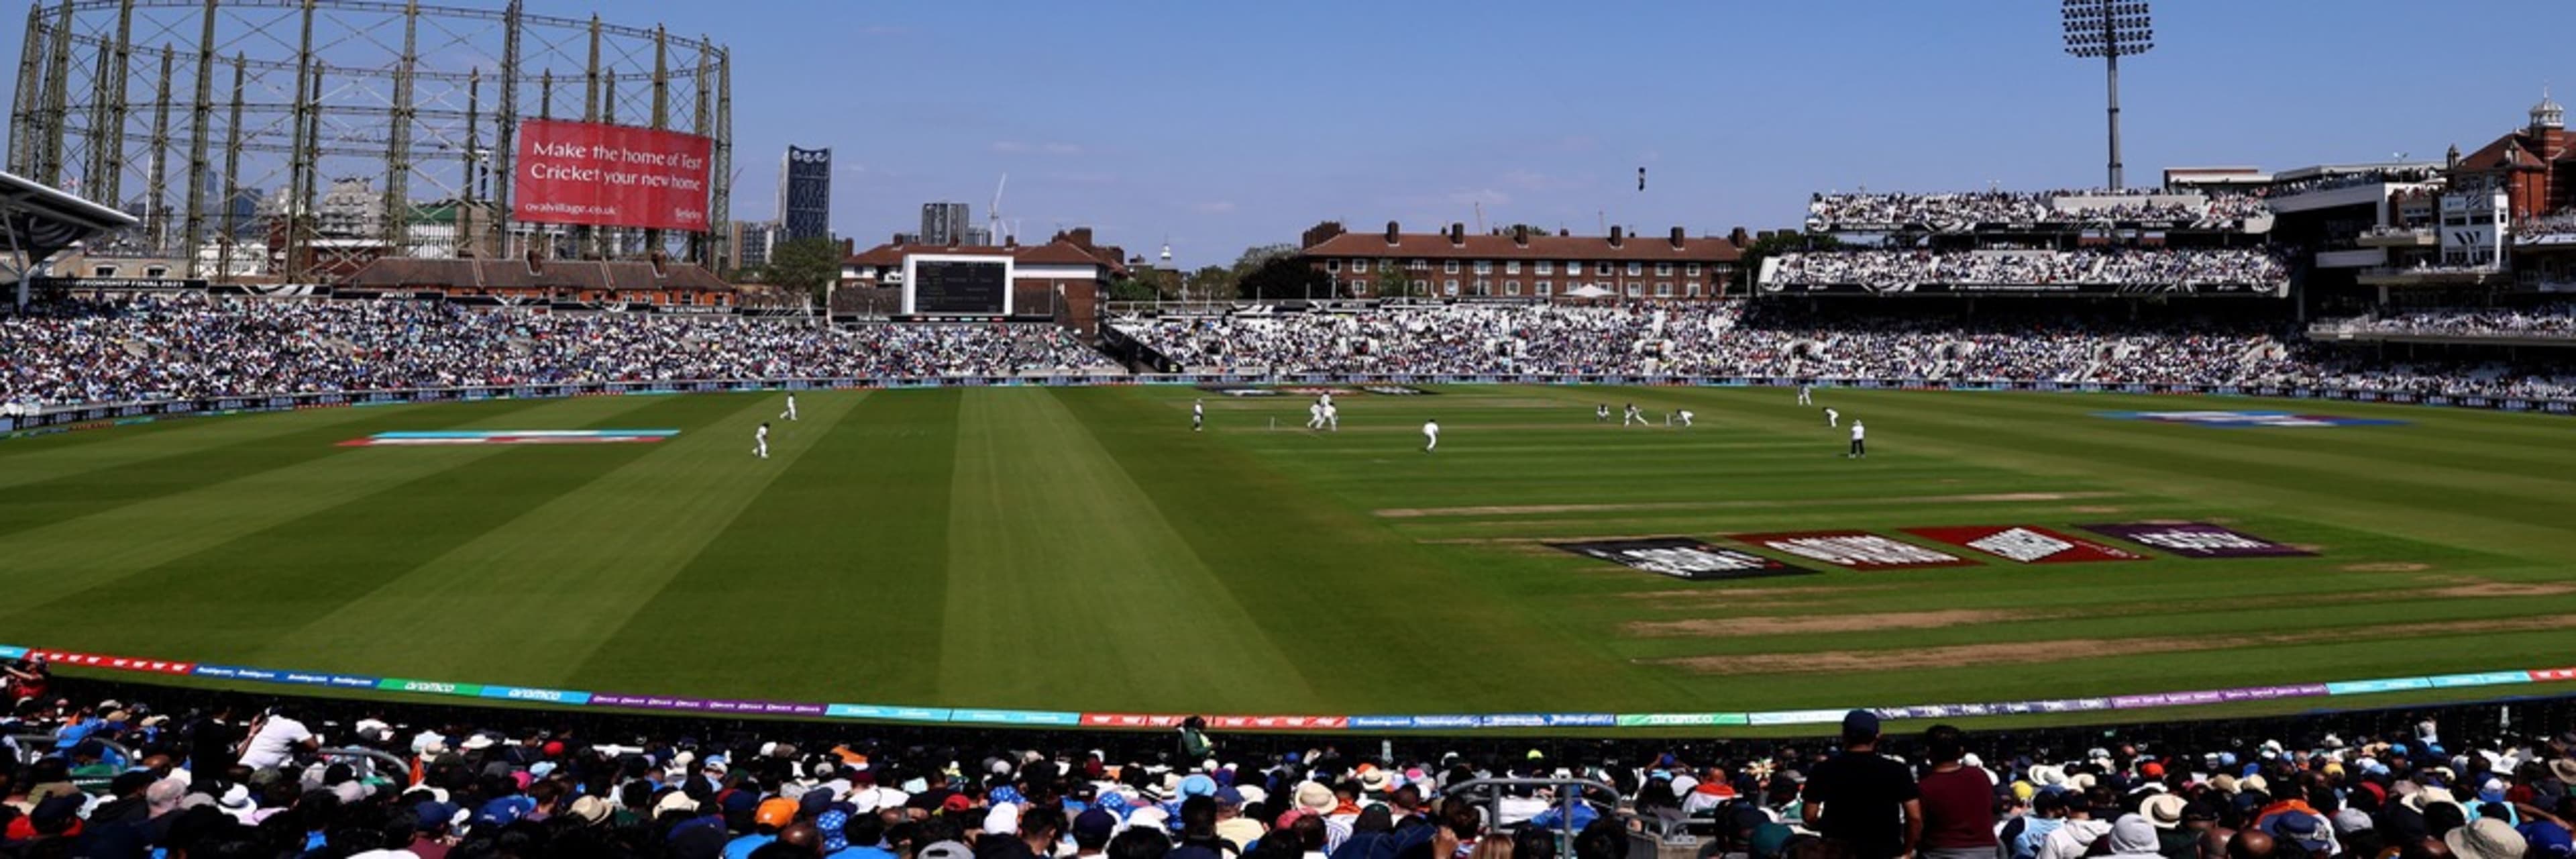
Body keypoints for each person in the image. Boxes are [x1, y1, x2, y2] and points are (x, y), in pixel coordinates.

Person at [1799, 709, 1920, 859]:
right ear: (1878, 736)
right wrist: (1907, 852)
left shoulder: (1823, 769)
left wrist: (1832, 829)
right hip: (1884, 849)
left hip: (1839, 850)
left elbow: (1809, 816)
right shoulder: (1897, 770)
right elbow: (1914, 817)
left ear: (1844, 735)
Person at [1912, 725, 1995, 859]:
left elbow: (1916, 822)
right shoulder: (1979, 776)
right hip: (1985, 851)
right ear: (1961, 751)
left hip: (1942, 851)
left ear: (1928, 752)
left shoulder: (1925, 787)